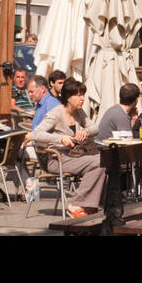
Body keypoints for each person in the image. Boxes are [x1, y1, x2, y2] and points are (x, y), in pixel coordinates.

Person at [32, 79, 107, 218]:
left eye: (83, 95)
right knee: (98, 162)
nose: (82, 98)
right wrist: (60, 139)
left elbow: (95, 127)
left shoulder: (79, 112)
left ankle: (88, 205)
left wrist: (86, 131)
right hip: (56, 159)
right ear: (68, 97)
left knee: (104, 159)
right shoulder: (56, 113)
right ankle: (76, 203)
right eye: (79, 95)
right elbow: (36, 134)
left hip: (74, 156)